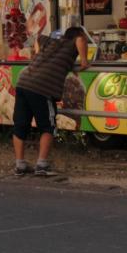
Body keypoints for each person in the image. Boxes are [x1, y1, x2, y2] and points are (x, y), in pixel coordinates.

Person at [11, 25, 88, 177]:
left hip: (24, 82)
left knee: (20, 125)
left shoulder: (51, 41)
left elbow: (37, 37)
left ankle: (20, 165)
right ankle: (42, 164)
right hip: (43, 88)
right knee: (48, 126)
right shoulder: (74, 42)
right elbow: (80, 39)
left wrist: (38, 53)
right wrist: (84, 61)